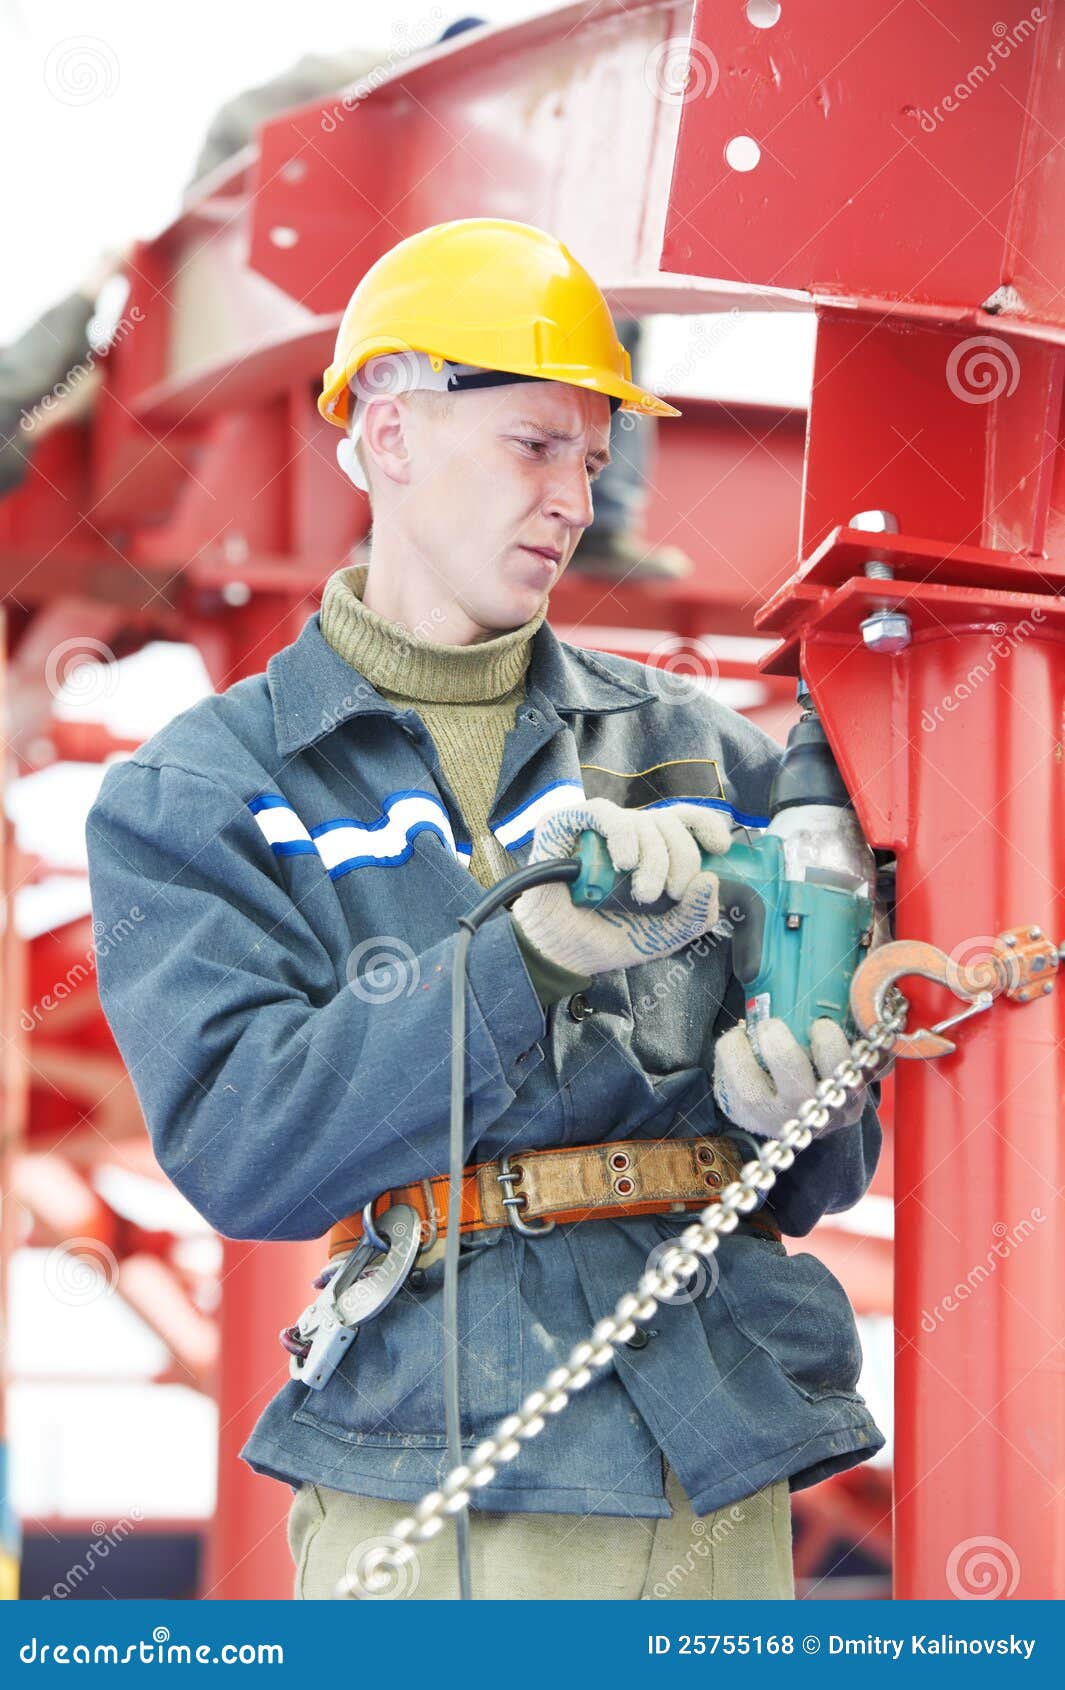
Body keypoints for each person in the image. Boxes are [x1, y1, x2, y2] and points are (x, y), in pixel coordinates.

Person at [85, 216, 885, 1602]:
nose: (574, 497)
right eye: (533, 445)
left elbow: (832, 1157)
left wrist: (796, 1108)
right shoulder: (205, 790)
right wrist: (521, 960)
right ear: (387, 432)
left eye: (590, 455)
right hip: (430, 1467)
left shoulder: (712, 755)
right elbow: (245, 1144)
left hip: (716, 1460)